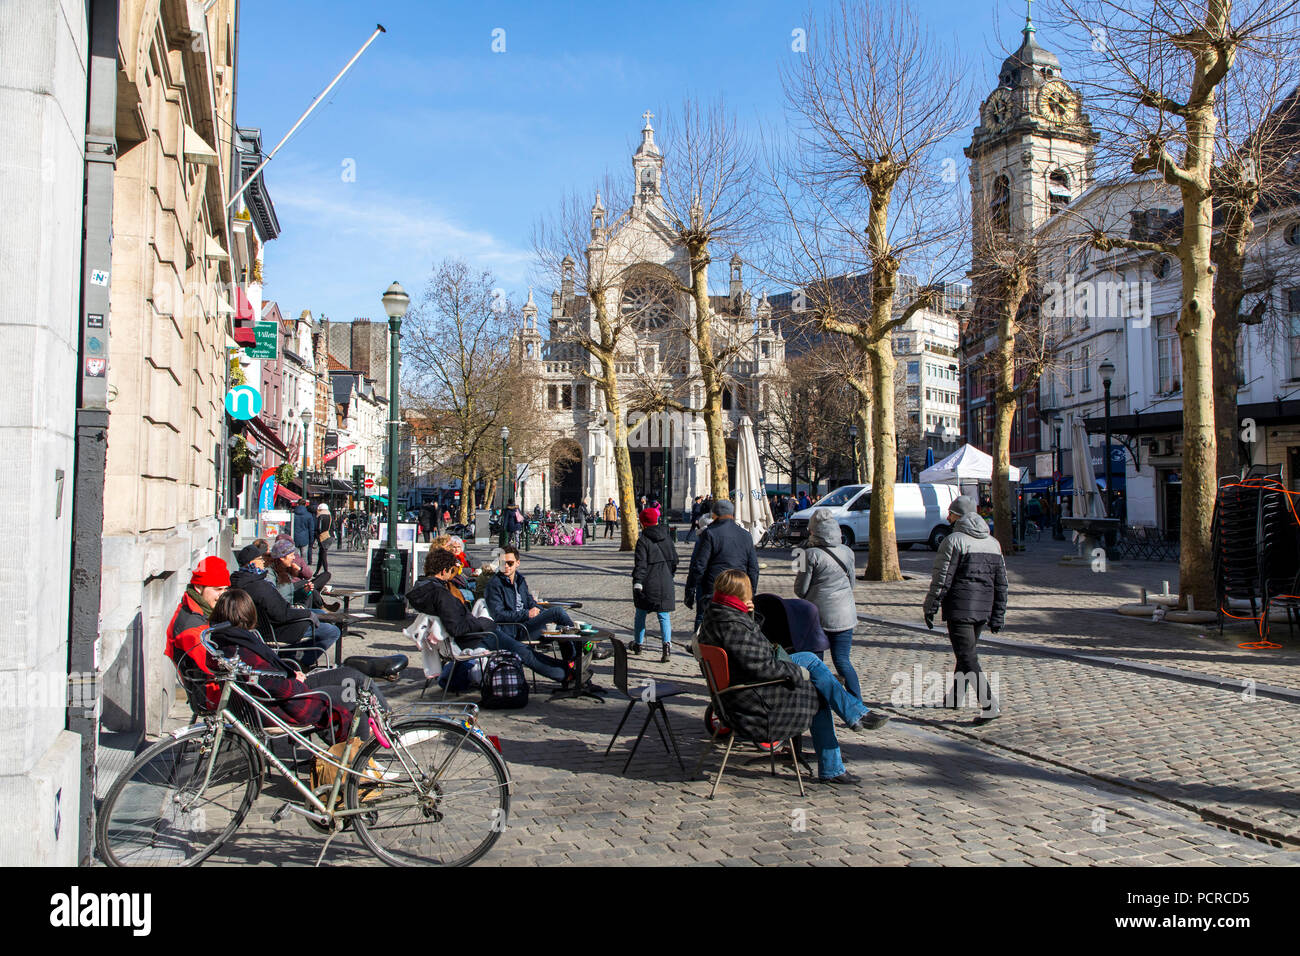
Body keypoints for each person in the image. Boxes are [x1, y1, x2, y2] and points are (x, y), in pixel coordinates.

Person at [697, 570, 887, 785]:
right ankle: (844, 739)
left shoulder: (718, 614)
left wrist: (748, 615)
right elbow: (762, 666)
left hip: (739, 691)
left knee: (809, 661)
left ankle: (852, 719)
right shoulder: (732, 625)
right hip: (754, 700)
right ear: (742, 592)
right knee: (816, 687)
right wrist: (798, 674)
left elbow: (751, 651)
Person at [408, 549, 575, 687]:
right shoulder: (440, 594)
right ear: (444, 571)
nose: (454, 575)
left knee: (529, 647)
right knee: (524, 652)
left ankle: (569, 667)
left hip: (474, 634)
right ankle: (567, 673)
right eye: (453, 571)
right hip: (476, 637)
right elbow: (457, 628)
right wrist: (482, 622)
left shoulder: (425, 590)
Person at [923, 495, 1007, 724]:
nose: (947, 517)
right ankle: (955, 697)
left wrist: (931, 605)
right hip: (984, 609)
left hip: (960, 608)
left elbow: (942, 578)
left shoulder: (953, 540)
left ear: (958, 516)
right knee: (965, 653)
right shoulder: (993, 543)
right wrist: (998, 614)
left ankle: (990, 704)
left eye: (950, 513)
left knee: (967, 656)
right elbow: (1001, 583)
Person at [230, 542, 340, 669]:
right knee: (332, 631)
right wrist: (307, 614)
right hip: (276, 630)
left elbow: (281, 605)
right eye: (260, 559)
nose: (263, 562)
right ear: (252, 563)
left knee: (321, 615)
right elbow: (281, 613)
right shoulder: (260, 585)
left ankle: (292, 657)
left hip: (268, 625)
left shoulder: (241, 581)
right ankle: (300, 662)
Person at [794, 509, 862, 699]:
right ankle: (857, 701)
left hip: (818, 617)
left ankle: (819, 700)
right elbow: (852, 583)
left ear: (813, 531)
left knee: (817, 663)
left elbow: (800, 589)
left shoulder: (807, 554)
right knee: (842, 660)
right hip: (846, 615)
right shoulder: (848, 551)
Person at [485, 546, 580, 664]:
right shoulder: (495, 585)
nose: (506, 567)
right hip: (515, 629)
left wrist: (545, 615)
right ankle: (585, 644)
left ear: (517, 563)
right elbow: (498, 615)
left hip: (528, 624)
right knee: (557, 611)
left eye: (510, 563)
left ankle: (572, 667)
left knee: (562, 630)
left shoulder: (519, 580)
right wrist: (527, 614)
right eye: (502, 563)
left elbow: (530, 602)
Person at [684, 498, 759, 632]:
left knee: (704, 617)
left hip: (714, 587)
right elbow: (753, 568)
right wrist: (751, 592)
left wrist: (690, 590)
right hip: (739, 587)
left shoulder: (709, 533)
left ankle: (700, 648)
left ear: (714, 514)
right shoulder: (746, 535)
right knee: (737, 620)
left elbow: (699, 565)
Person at [165, 556, 231, 667]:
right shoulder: (193, 626)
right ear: (198, 587)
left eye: (226, 589)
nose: (223, 595)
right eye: (218, 589)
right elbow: (207, 670)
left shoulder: (199, 610)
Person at [632, 506, 678, 661]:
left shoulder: (642, 540)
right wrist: (668, 575)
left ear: (643, 523)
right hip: (665, 581)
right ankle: (666, 647)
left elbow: (641, 565)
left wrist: (638, 583)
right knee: (664, 615)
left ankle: (638, 644)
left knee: (640, 614)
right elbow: (675, 560)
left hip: (648, 582)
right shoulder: (667, 537)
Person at [292, 500, 316, 566]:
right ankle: (303, 571)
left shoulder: (293, 514)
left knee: (295, 556)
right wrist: (311, 540)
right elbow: (311, 529)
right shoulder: (309, 515)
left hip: (294, 537)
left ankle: (295, 570)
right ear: (305, 505)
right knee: (304, 556)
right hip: (305, 538)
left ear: (297, 504)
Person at [315, 503, 334, 573]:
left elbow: (319, 528)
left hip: (322, 537)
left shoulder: (320, 516)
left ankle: (326, 571)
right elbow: (333, 527)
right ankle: (317, 571)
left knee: (323, 555)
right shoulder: (330, 516)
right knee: (321, 554)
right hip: (329, 536)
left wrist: (317, 536)